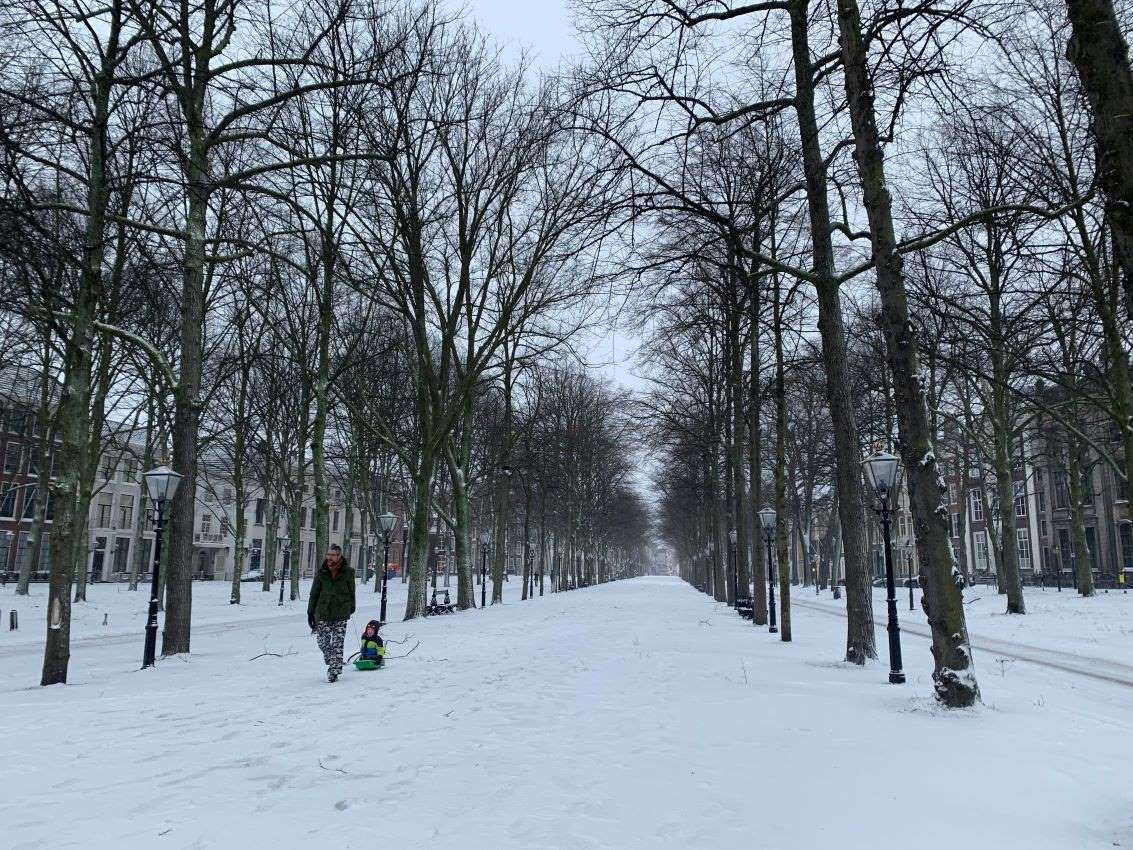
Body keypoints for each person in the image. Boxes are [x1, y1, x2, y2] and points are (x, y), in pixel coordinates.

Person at [307, 544, 356, 682]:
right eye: (328, 554)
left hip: (341, 612)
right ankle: (331, 659)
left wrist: (351, 606)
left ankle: (334, 671)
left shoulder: (348, 572)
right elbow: (314, 594)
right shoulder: (321, 573)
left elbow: (352, 591)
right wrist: (310, 613)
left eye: (333, 555)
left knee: (337, 643)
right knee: (322, 641)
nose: (329, 557)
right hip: (323, 612)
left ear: (339, 556)